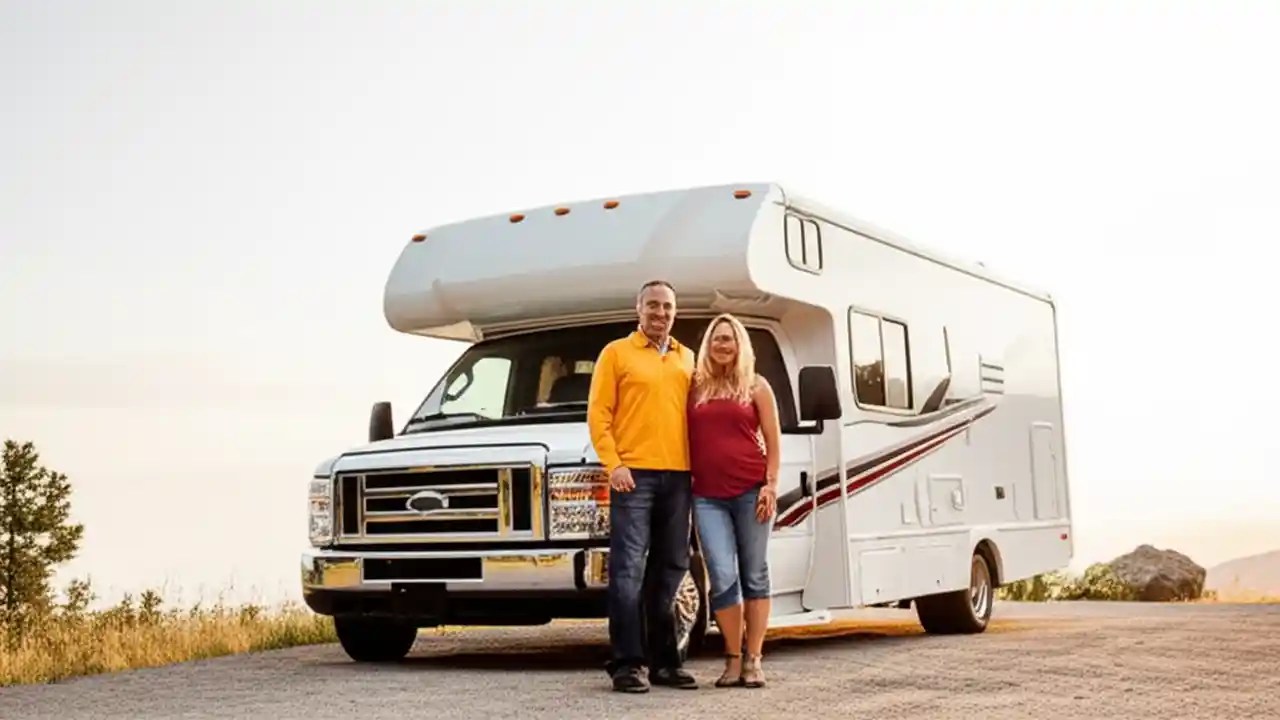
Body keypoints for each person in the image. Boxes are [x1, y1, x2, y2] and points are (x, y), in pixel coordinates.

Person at [587, 279, 699, 693]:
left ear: (675, 311)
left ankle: (666, 663)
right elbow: (599, 414)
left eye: (667, 306)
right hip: (633, 477)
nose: (660, 313)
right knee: (628, 571)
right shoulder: (616, 353)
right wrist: (613, 464)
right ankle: (627, 664)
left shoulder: (688, 359)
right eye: (653, 305)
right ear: (638, 309)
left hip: (680, 477)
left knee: (671, 568)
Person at [686, 313, 781, 689]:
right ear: (707, 345)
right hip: (707, 496)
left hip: (750, 493)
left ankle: (754, 659)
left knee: (754, 573)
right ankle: (732, 658)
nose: (722, 345)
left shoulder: (757, 387)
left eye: (729, 339)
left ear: (740, 345)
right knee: (722, 576)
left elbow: (774, 443)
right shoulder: (694, 388)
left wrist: (770, 486)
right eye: (716, 339)